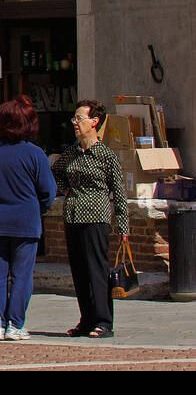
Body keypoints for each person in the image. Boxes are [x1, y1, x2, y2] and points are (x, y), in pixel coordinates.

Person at [0, 95, 56, 340]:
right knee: (22, 275)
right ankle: (15, 324)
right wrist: (40, 209)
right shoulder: (36, 154)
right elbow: (48, 191)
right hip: (26, 221)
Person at [51, 98, 129, 339]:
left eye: (79, 118)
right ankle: (86, 319)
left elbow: (119, 192)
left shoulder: (106, 155)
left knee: (97, 270)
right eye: (74, 119)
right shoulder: (72, 153)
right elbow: (55, 172)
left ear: (94, 122)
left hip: (96, 217)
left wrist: (123, 226)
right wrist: (65, 189)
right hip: (73, 215)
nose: (75, 122)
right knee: (79, 271)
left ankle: (104, 321)